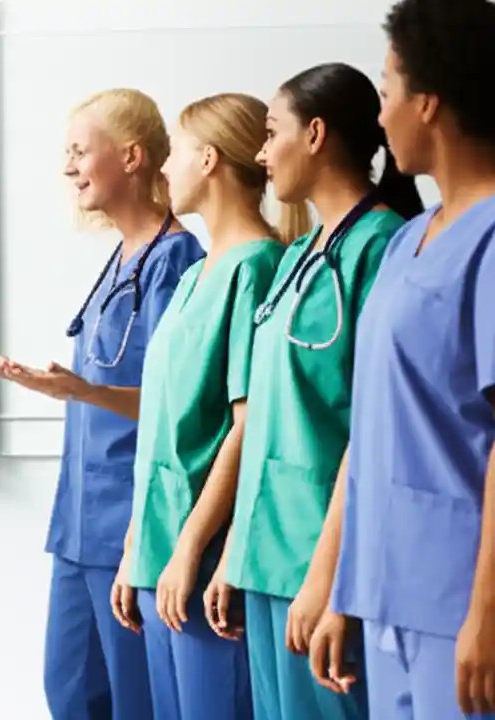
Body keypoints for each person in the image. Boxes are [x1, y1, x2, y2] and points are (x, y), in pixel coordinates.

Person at [0, 88, 204, 720]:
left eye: (80, 151)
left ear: (131, 157)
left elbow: (178, 406)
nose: (68, 168)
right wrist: (13, 371)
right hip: (79, 522)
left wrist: (81, 390)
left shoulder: (176, 262)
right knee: (70, 695)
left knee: (135, 704)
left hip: (130, 524)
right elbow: (88, 383)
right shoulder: (121, 258)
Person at [208, 62, 423, 720]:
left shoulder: (384, 247)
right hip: (267, 559)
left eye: (272, 132)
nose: (261, 153)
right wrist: (235, 555)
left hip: (321, 564)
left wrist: (329, 578)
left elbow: (373, 429)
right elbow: (267, 419)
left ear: (316, 134)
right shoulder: (299, 255)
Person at [313, 0, 495, 717]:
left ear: (429, 102)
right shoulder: (402, 243)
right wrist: (344, 589)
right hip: (385, 593)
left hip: (461, 599)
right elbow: (374, 428)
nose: (380, 114)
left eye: (387, 91)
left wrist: (486, 610)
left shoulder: (490, 242)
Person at [118, 92, 302, 720]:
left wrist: (190, 548)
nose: (164, 167)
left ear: (209, 159)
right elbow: (163, 428)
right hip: (157, 555)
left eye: (175, 152)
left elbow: (245, 427)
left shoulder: (258, 267)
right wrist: (135, 547)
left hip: (200, 562)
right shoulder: (193, 277)